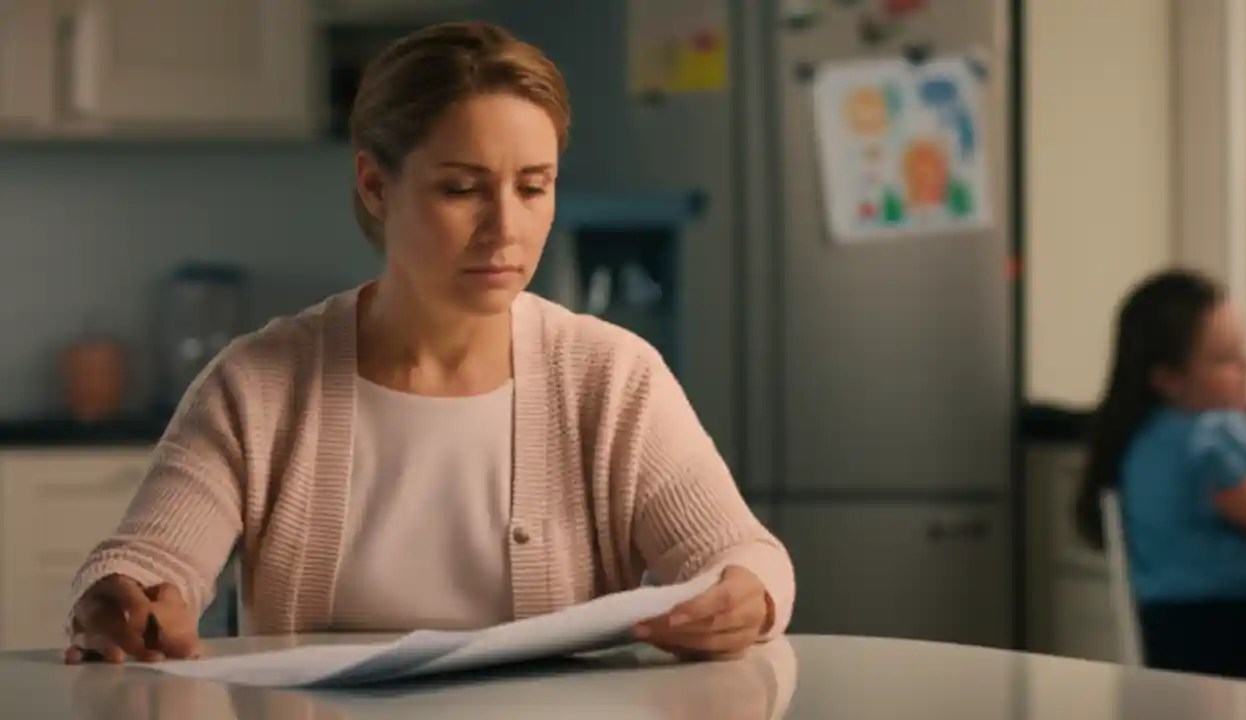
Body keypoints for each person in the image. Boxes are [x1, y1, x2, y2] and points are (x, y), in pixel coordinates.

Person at [64, 21, 794, 665]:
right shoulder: (258, 385)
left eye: (533, 187)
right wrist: (121, 605)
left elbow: (745, 556)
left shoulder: (612, 378)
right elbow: (145, 564)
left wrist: (745, 598)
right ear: (376, 187)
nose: (505, 228)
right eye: (461, 189)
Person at [1077, 269, 1246, 680]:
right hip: (1235, 640)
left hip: (1175, 643)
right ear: (1169, 379)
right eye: (1225, 359)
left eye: (1242, 353)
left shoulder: (1145, 437)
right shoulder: (1212, 435)